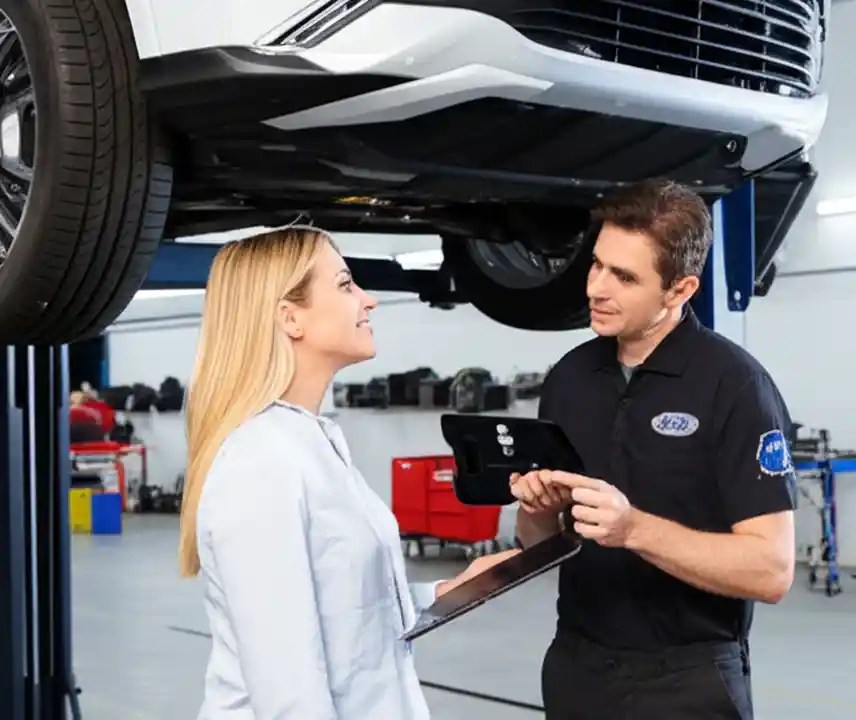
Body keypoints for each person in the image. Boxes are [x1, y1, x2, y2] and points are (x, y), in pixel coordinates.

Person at [176, 227, 518, 720]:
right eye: (344, 285)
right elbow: (288, 692)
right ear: (290, 317)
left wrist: (449, 590)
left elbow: (346, 611)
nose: (368, 300)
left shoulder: (309, 440)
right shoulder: (260, 463)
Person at [511, 179, 798, 719]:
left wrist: (633, 529)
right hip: (577, 666)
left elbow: (771, 571)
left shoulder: (734, 386)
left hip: (687, 681)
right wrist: (537, 509)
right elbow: (538, 547)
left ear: (680, 290)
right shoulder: (569, 378)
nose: (597, 288)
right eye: (597, 265)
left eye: (624, 277)